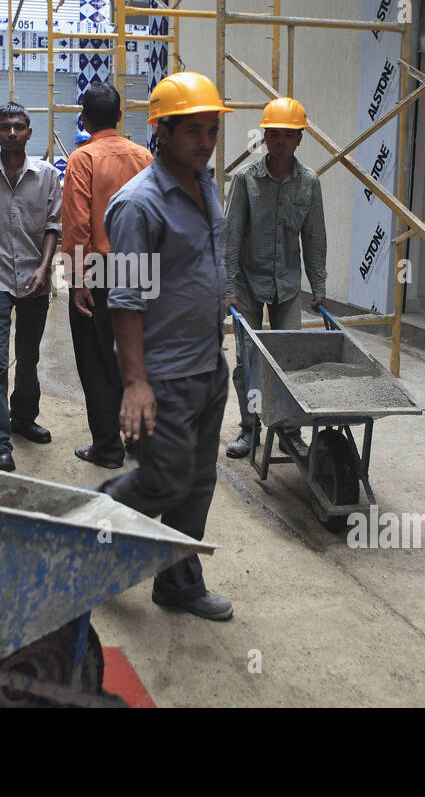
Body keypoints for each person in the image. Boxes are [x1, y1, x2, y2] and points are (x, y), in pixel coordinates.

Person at [98, 72, 235, 622]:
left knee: (197, 483)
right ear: (162, 132)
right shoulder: (140, 206)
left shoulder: (206, 185)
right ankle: (93, 521)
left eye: (212, 131)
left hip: (208, 364)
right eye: (194, 132)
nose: (206, 142)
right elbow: (126, 300)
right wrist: (136, 382)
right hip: (165, 372)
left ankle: (178, 582)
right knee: (164, 478)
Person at [224, 97, 327, 461]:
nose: (280, 141)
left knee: (289, 360)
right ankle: (249, 429)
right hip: (248, 285)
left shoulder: (309, 183)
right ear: (264, 137)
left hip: (287, 286)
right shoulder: (245, 180)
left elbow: (314, 238)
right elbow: (230, 236)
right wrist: (228, 288)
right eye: (274, 134)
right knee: (249, 361)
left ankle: (288, 432)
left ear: (299, 138)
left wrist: (319, 287)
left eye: (288, 134)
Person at [0, 103, 62, 473]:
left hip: (35, 276)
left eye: (19, 126)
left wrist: (44, 267)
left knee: (28, 355)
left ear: (29, 132)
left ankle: (22, 418)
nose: (12, 133)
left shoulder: (46, 175)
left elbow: (53, 225)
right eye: (5, 127)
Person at [62, 82, 151, 469]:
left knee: (97, 362)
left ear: (84, 119)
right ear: (120, 116)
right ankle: (140, 440)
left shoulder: (82, 159)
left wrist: (76, 279)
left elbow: (77, 223)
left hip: (99, 269)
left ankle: (108, 448)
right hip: (141, 266)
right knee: (136, 356)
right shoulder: (144, 157)